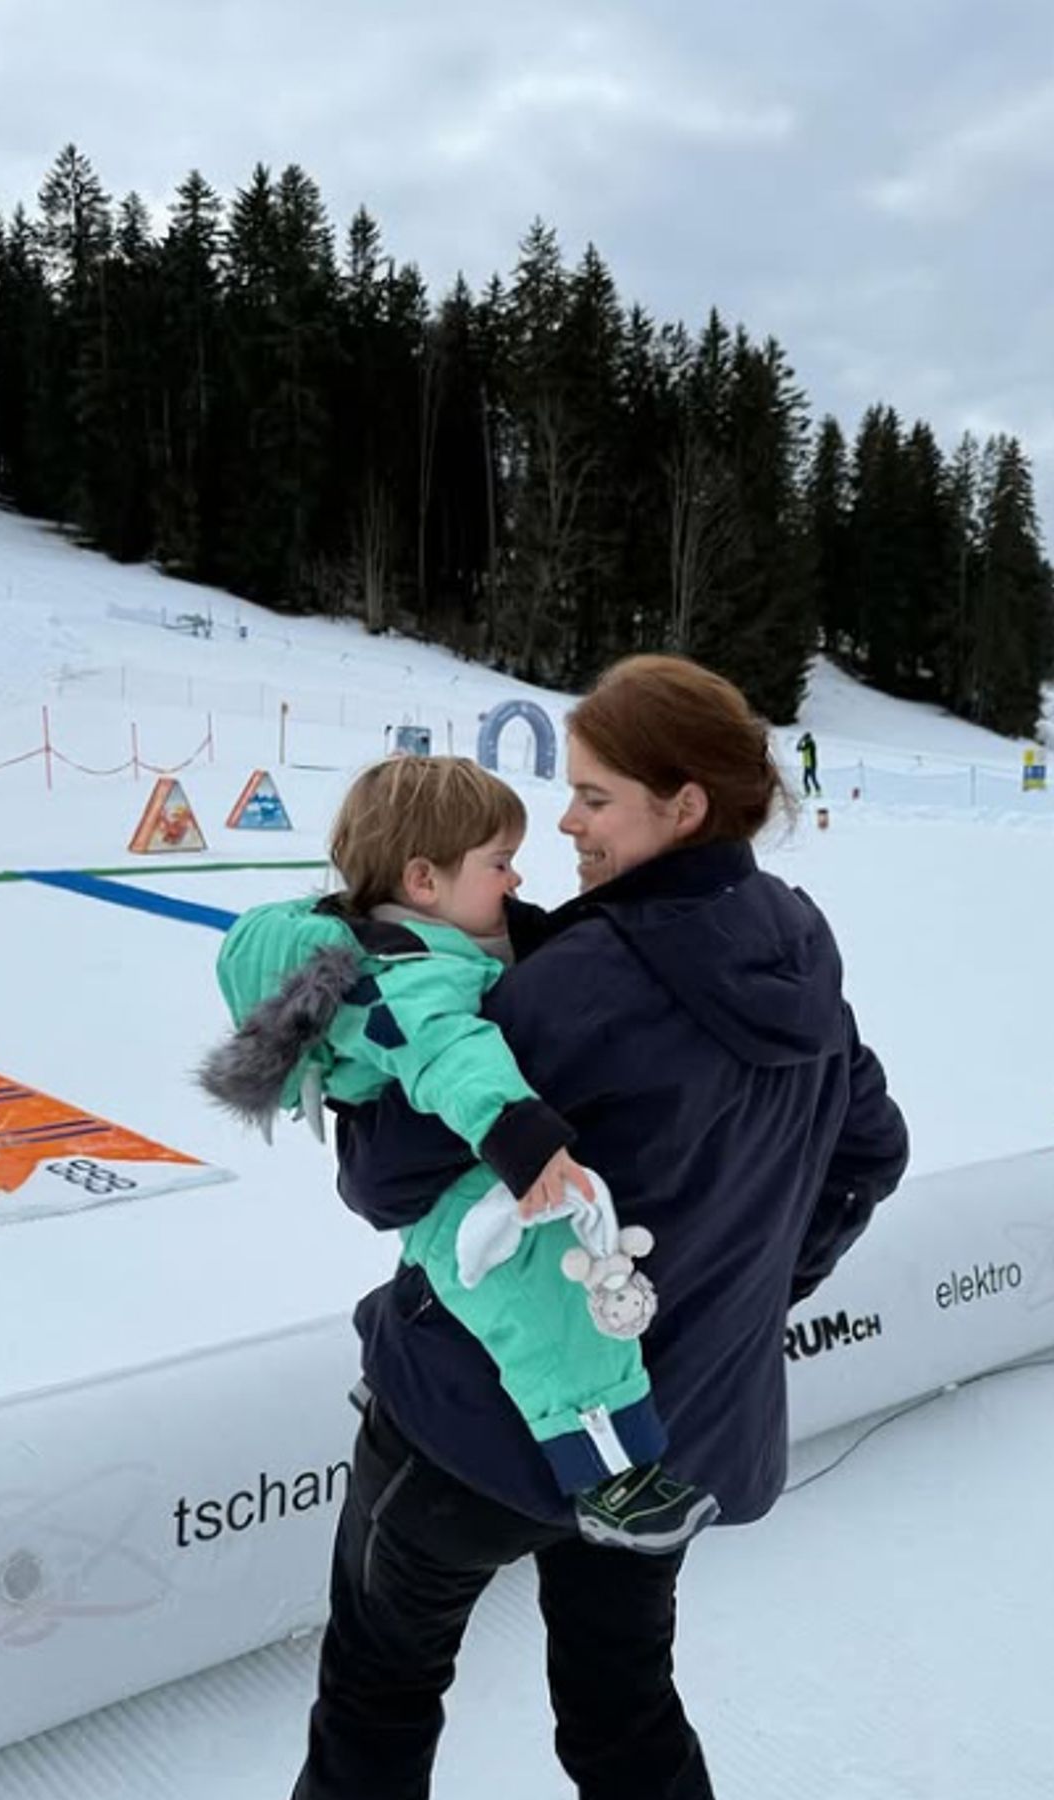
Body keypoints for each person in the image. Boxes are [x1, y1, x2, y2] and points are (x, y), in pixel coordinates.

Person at [283, 653, 909, 1800]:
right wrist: (738, 1296)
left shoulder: (580, 981)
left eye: (595, 797)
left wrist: (367, 1072)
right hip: (666, 1437)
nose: (564, 823)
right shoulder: (799, 942)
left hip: (476, 1430)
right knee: (624, 1711)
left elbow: (385, 1184)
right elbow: (870, 1148)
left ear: (686, 807)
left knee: (378, 1692)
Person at [201, 756, 713, 1553]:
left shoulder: (424, 939)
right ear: (423, 880)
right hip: (464, 1187)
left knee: (540, 1292)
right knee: (547, 1309)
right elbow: (452, 1055)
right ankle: (612, 1474)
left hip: (454, 1173)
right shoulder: (407, 977)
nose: (515, 882)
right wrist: (524, 1139)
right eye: (499, 863)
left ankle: (405, 1387)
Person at [797, 730, 821, 796]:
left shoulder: (811, 744)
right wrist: (800, 741)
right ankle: (808, 791)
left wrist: (801, 741)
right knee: (805, 779)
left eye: (806, 738)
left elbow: (802, 748)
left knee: (813, 778)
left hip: (812, 764)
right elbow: (798, 749)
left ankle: (818, 790)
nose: (805, 740)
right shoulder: (807, 744)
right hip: (807, 764)